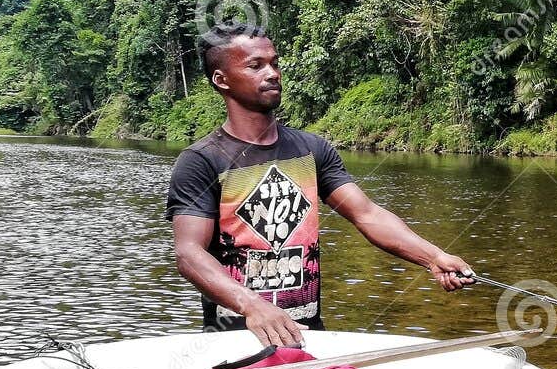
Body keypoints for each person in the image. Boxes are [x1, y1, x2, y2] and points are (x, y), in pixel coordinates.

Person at [166, 23, 474, 348]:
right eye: (255, 66)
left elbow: (367, 214)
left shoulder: (311, 150)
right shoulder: (202, 161)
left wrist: (433, 257)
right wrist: (252, 305)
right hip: (234, 344)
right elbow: (189, 253)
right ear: (222, 80)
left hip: (308, 340)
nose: (272, 73)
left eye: (274, 63)